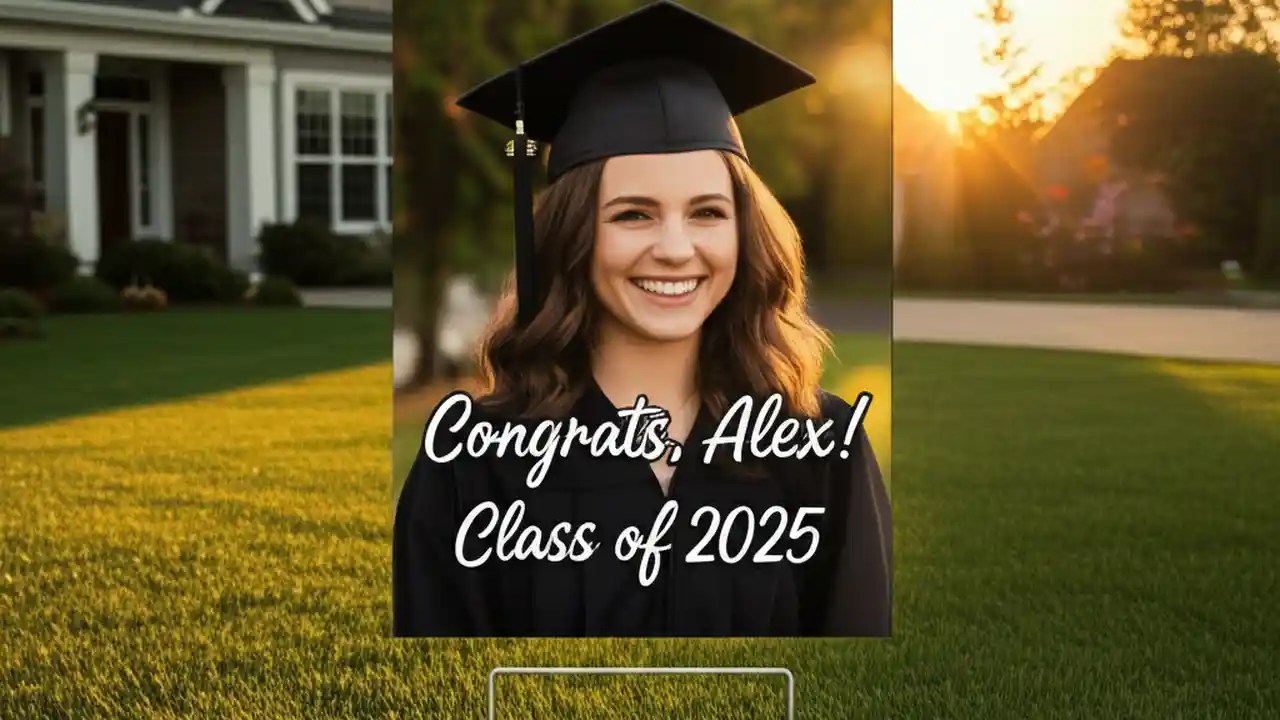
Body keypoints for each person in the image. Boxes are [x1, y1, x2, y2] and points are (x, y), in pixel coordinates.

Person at [393, 0, 891, 637]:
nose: (677, 248)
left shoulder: (823, 452)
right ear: (572, 237)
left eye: (708, 213)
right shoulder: (470, 465)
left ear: (746, 234)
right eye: (634, 214)